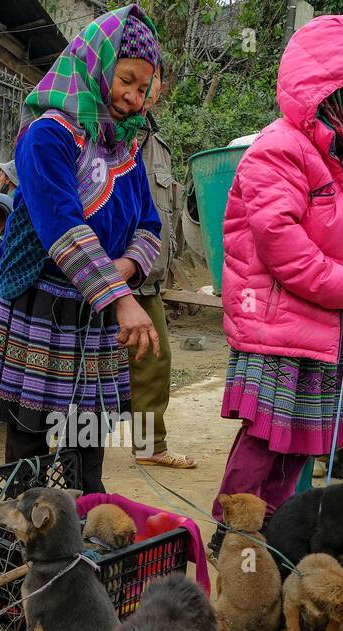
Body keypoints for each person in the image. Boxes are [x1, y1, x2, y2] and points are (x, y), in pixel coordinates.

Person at [210, 14, 343, 545]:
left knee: (301, 441)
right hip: (279, 323)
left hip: (319, 322)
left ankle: (275, 532)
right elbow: (284, 248)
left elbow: (340, 237)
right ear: (334, 85)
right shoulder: (279, 148)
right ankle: (230, 534)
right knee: (266, 438)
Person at [0, 4, 162, 495]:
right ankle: (23, 555)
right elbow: (63, 229)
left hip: (97, 315)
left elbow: (149, 226)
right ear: (97, 66)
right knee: (30, 447)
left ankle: (85, 547)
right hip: (43, 306)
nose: (133, 97)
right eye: (126, 80)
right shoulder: (47, 137)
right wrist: (122, 298)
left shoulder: (123, 147)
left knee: (87, 448)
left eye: (143, 88)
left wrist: (122, 271)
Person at [129, 63, 195, 469]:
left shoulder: (159, 144)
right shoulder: (105, 134)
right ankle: (63, 449)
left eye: (150, 81)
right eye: (131, 79)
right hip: (105, 275)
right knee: (84, 364)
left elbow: (165, 209)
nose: (142, 90)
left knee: (155, 362)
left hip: (149, 275)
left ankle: (148, 446)